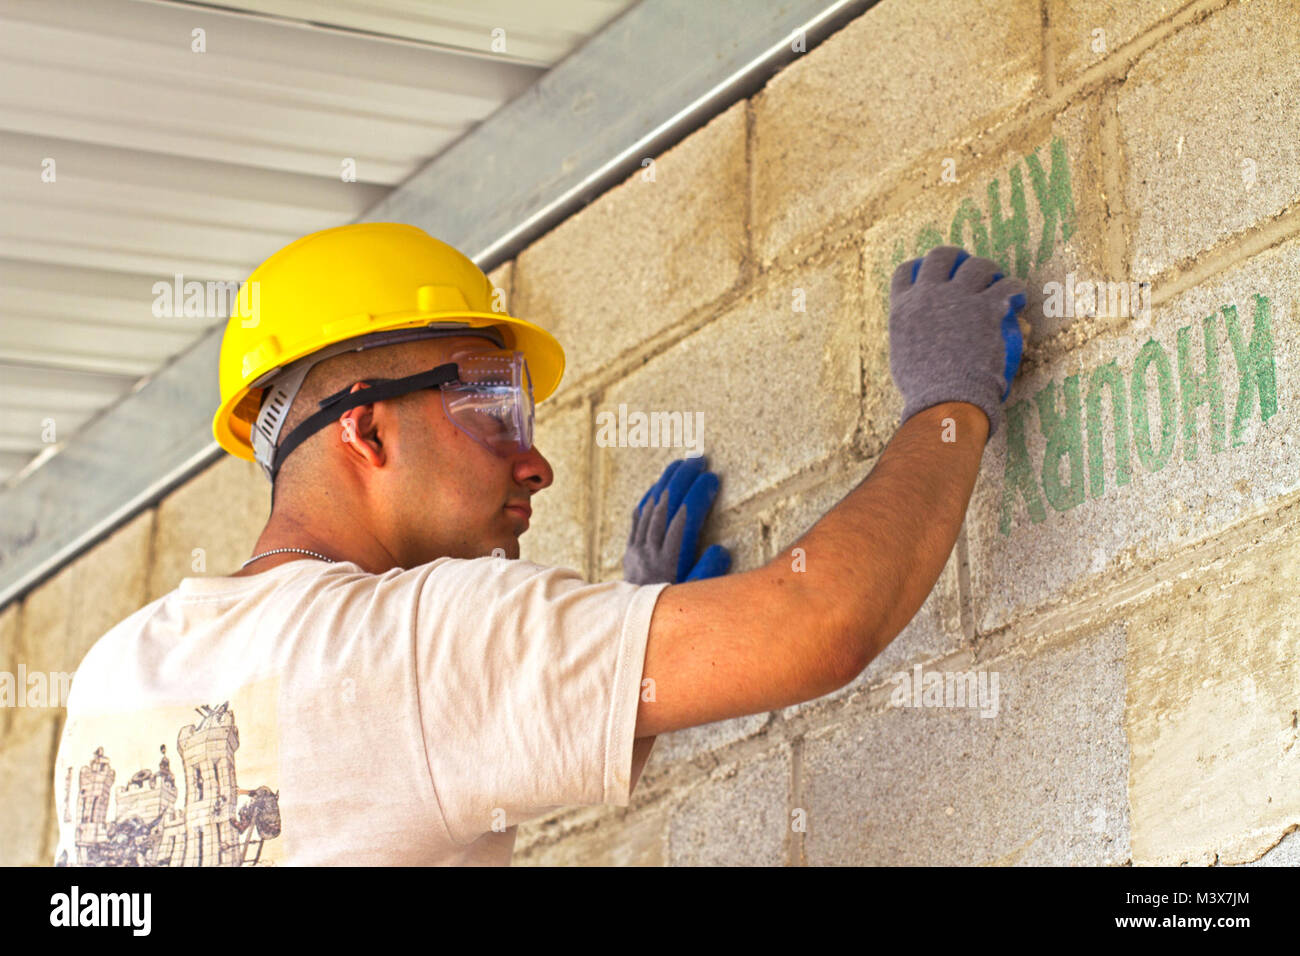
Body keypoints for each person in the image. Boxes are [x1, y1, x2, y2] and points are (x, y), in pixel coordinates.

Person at [51, 223, 1024, 866]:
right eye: (492, 407)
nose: (535, 462)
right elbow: (818, 621)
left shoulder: (115, 676)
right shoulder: (418, 641)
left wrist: (623, 652)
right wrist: (948, 401)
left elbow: (405, 770)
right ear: (366, 429)